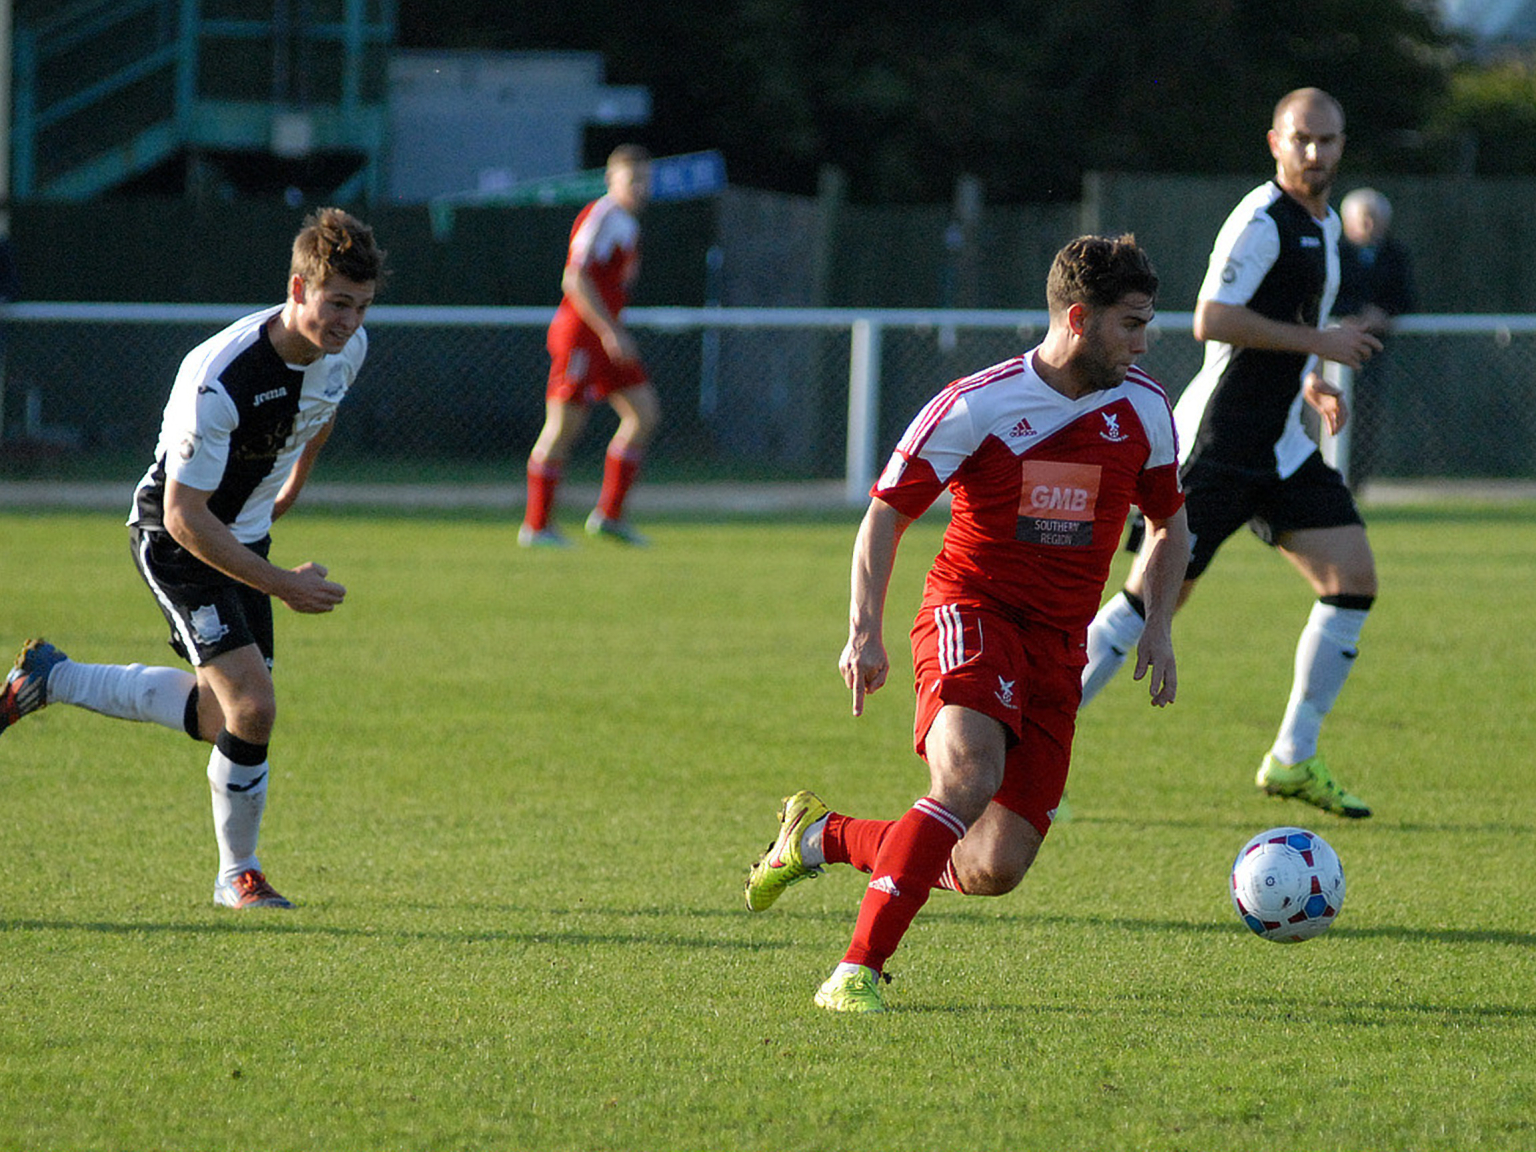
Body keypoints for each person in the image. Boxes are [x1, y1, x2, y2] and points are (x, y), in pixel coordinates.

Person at [744, 235, 1190, 1013]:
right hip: (972, 612)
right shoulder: (977, 404)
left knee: (993, 866)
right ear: (1079, 320)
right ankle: (856, 972)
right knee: (966, 779)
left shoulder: (1145, 408)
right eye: (1131, 324)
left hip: (1060, 647)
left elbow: (1169, 524)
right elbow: (886, 514)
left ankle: (819, 837)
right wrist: (864, 630)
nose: (1143, 343)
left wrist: (1157, 623)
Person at [0, 206, 387, 909]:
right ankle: (238, 874)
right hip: (177, 541)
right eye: (336, 303)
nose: (348, 322)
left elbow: (321, 413)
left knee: (221, 718)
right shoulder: (220, 377)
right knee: (254, 707)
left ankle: (52, 678)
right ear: (297, 289)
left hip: (243, 537)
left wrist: (291, 487)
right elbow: (183, 515)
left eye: (361, 306)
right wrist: (283, 585)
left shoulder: (348, 347)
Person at [1079, 88, 1383, 819]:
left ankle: (1292, 757)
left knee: (1352, 578)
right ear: (1275, 142)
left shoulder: (1324, 224)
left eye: (1327, 140)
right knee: (1147, 604)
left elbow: (1281, 327)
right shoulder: (1261, 219)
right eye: (1301, 138)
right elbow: (1211, 319)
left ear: (1343, 145)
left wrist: (1309, 378)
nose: (1315, 152)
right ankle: (1024, 746)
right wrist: (1320, 344)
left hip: (1279, 445)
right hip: (1217, 445)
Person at [519, 144, 661, 548]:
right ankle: (537, 526)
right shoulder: (601, 216)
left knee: (644, 414)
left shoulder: (627, 223)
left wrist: (613, 330)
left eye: (645, 180)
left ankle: (609, 516)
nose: (640, 187)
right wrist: (610, 330)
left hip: (606, 335)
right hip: (582, 334)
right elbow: (574, 278)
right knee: (563, 427)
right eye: (632, 179)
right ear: (610, 179)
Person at [1335, 187, 1417, 337]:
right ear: (1347, 221)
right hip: (1339, 336)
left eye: (1377, 219)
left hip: (1388, 338)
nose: (1371, 225)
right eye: (1364, 219)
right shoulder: (1332, 254)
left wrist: (1382, 314)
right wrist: (1359, 311)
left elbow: (1406, 298)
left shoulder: (1396, 255)